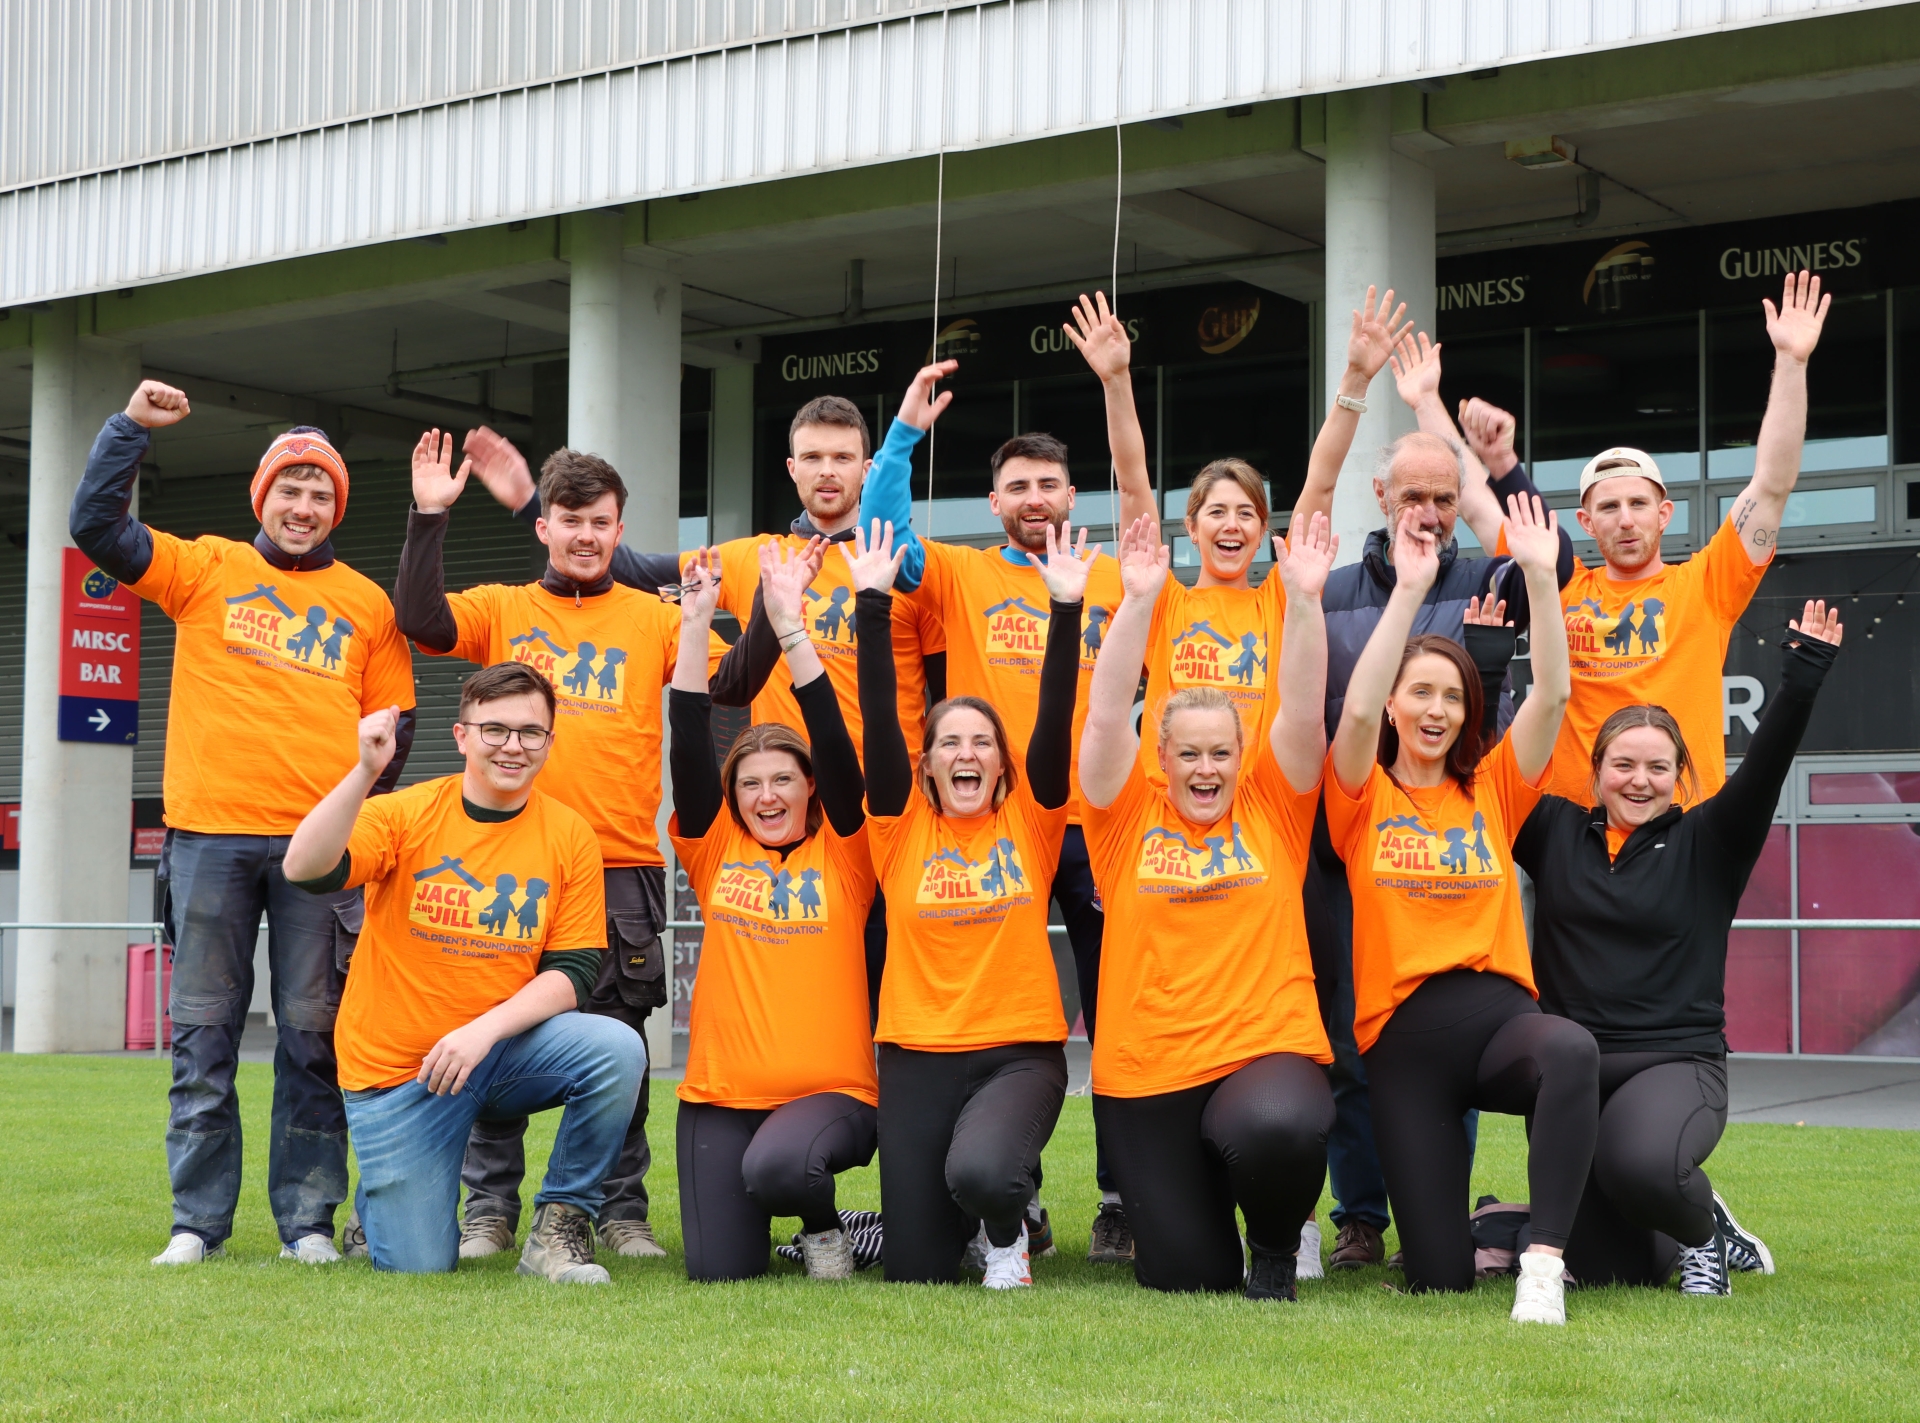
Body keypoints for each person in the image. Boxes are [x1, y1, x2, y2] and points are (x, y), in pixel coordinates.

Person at [69, 380, 417, 1268]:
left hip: (316, 856)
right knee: (202, 1036)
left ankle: (306, 1221)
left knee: (311, 1040)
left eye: (322, 493)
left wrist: (359, 830)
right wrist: (130, 430)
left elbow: (395, 728)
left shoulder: (367, 604)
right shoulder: (206, 566)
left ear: (338, 507)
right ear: (262, 496)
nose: (305, 506)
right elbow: (97, 529)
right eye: (291, 489)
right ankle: (197, 1221)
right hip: (209, 838)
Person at [393, 434, 760, 1260]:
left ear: (618, 527)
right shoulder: (503, 608)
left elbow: (732, 682)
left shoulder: (653, 616)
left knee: (620, 1047)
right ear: (543, 528)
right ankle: (488, 1207)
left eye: (601, 522)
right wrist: (428, 517)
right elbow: (420, 619)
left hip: (621, 864)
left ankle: (617, 1209)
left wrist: (775, 604)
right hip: (510, 861)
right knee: (498, 1033)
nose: (586, 535)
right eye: (570, 520)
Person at [458, 403, 945, 1025]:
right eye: (814, 458)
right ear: (792, 469)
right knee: (794, 988)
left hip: (886, 814)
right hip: (786, 808)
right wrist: (533, 503)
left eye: (843, 458)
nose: (828, 472)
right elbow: (624, 567)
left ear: (868, 469)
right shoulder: (753, 559)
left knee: (892, 989)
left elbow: (944, 693)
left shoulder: (912, 567)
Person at [1304, 332, 1577, 1272]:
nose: (1425, 510)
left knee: (1479, 1051)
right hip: (1350, 846)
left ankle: (1479, 1213)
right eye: (1409, 494)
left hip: (1471, 946)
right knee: (1350, 1046)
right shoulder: (1338, 590)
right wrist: (1405, 591)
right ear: (1379, 499)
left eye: (1441, 496)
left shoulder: (1486, 573)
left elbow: (1553, 586)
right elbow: (1352, 713)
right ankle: (1359, 1213)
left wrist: (1467, 441)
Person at [857, 336, 1127, 1262]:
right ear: (994, 503)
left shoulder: (1108, 577)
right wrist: (899, 437)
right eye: (1017, 486)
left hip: (1091, 824)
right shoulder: (962, 574)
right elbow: (882, 530)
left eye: (1049, 484)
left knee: (1118, 1012)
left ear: (1069, 496)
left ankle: (1124, 1198)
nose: (1034, 498)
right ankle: (1018, 1198)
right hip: (980, 826)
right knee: (974, 991)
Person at [1510, 599, 1841, 1295]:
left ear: (1680, 773)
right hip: (1577, 1073)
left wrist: (1804, 673)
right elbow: (1485, 773)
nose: (1639, 780)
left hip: (1675, 1060)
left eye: (1658, 767)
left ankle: (1702, 1235)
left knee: (1644, 1166)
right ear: (1596, 770)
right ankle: (1702, 1214)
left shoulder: (1710, 839)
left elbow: (1769, 763)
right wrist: (1484, 658)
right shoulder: (1552, 831)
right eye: (1623, 764)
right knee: (1605, 1270)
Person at [1326, 493, 1596, 1325]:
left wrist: (1543, 583)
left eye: (1450, 694)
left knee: (1571, 1051)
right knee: (1438, 1277)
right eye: (1421, 693)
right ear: (1398, 708)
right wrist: (1407, 592)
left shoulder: (1493, 790)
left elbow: (1551, 695)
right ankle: (1491, 1225)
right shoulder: (1358, 794)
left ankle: (1542, 1260)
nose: (1437, 709)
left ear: (1467, 707)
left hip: (1495, 1016)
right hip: (1403, 1044)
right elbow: (1357, 708)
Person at [283, 661, 643, 1280]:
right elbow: (306, 868)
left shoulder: (570, 834)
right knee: (420, 1268)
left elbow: (576, 970)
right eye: (494, 729)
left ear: (550, 743)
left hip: (496, 1053)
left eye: (531, 732)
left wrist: (484, 1032)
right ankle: (383, 1198)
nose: (512, 746)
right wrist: (366, 770)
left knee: (615, 1047)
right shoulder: (406, 811)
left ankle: (558, 1231)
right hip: (400, 1070)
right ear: (461, 735)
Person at [1075, 510, 1339, 1300]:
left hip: (1261, 1048)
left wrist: (1305, 602)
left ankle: (1274, 1245)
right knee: (1189, 1278)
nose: (1205, 767)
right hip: (1146, 1069)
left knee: (1279, 1126)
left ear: (1241, 756)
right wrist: (1139, 601)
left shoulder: (1274, 809)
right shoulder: (1123, 816)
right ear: (1159, 758)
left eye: (1221, 752)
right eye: (1188, 752)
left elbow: (1300, 708)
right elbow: (1102, 709)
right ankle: (1208, 1229)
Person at [856, 516, 1092, 1288]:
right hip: (916, 1053)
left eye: (982, 742)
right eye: (950, 742)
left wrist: (1064, 609)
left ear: (1002, 763)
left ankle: (1008, 1228)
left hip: (1015, 1052)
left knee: (985, 1171)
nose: (966, 753)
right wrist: (870, 602)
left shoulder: (1032, 821)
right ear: (926, 766)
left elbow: (1055, 717)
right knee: (917, 1268)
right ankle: (910, 1222)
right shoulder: (897, 829)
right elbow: (878, 713)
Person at [667, 540, 882, 1282]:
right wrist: (696, 623)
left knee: (782, 1166)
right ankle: (819, 1216)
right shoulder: (714, 848)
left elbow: (832, 738)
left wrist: (791, 629)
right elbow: (690, 743)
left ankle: (826, 1226)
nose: (767, 795)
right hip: (720, 1097)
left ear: (809, 788)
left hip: (833, 1098)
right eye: (751, 782)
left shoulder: (849, 853)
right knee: (720, 1271)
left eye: (783, 780)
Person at [1539, 269, 1830, 802]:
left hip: (1684, 836)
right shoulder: (1557, 586)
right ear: (1585, 523)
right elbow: (1476, 504)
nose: (1625, 519)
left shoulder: (1705, 585)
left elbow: (1771, 487)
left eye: (1638, 504)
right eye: (1608, 507)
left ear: (1664, 512)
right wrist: (1424, 403)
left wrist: (1792, 362)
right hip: (1576, 844)